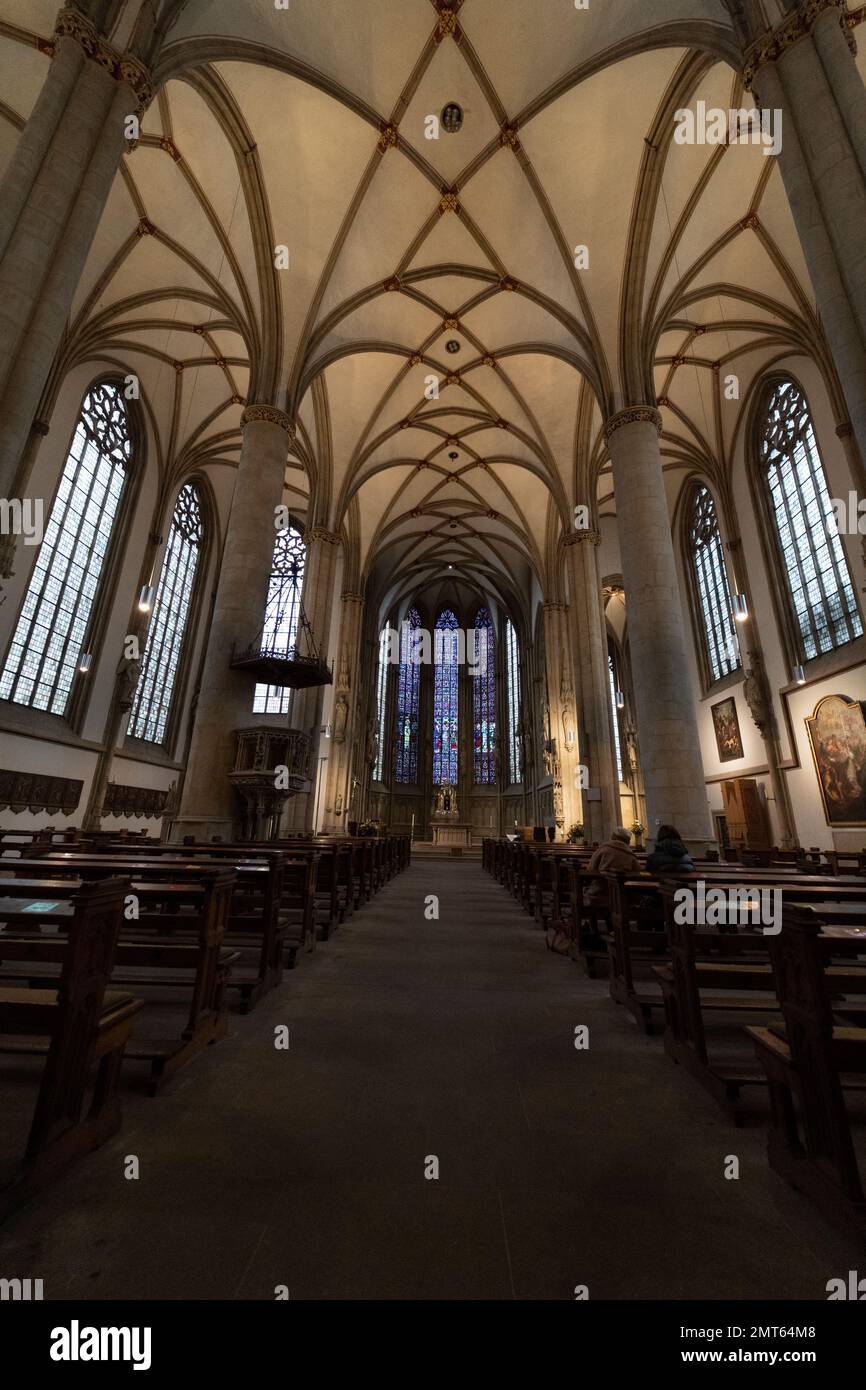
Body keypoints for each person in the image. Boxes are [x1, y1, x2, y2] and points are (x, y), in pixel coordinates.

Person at [585, 827, 640, 906]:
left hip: (599, 893)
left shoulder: (603, 850)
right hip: (623, 895)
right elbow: (637, 873)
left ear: (613, 837)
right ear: (627, 841)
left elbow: (590, 870)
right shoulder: (630, 855)